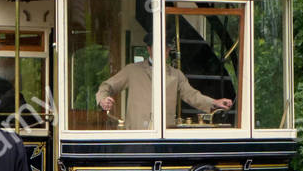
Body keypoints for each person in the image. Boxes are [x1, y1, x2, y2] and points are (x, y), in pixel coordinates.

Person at [96, 45, 233, 128]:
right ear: (149, 49)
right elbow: (107, 86)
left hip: (164, 136)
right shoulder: (132, 70)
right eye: (158, 46)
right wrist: (103, 99)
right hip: (137, 137)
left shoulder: (176, 74)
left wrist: (214, 102)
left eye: (166, 48)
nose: (164, 51)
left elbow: (192, 95)